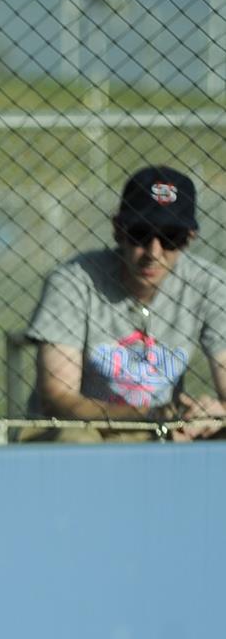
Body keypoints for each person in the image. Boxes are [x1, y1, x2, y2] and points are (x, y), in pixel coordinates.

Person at [19, 166, 226, 441]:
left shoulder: (210, 285)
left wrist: (210, 413)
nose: (153, 253)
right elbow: (57, 398)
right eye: (140, 234)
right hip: (88, 429)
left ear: (189, 238)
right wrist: (150, 417)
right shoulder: (74, 282)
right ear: (118, 230)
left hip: (166, 431)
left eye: (169, 238)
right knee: (74, 439)